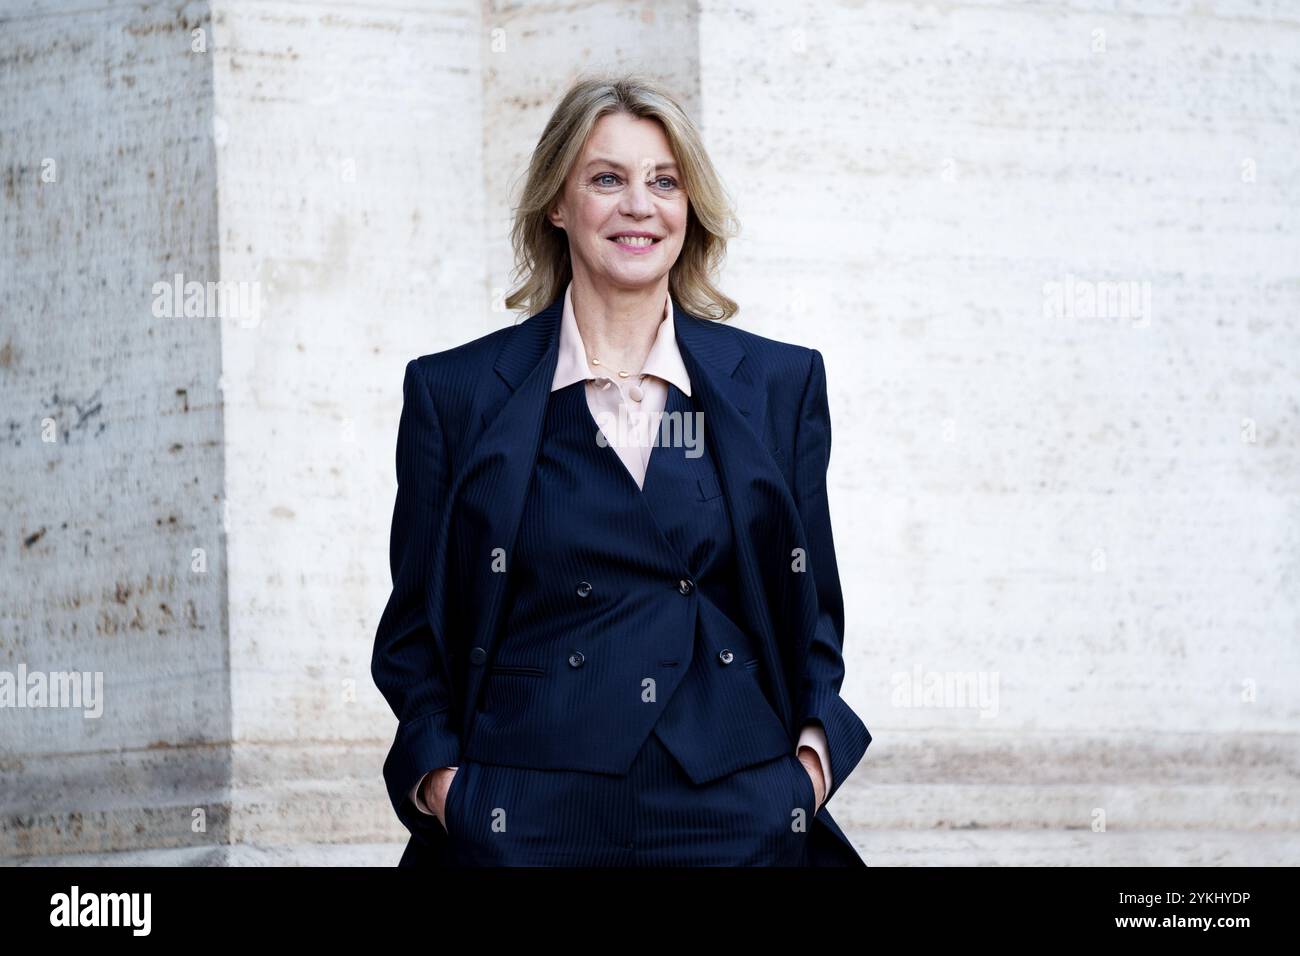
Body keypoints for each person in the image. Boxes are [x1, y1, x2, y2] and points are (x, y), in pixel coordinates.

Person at [372, 73, 871, 866]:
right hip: (525, 819)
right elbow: (413, 633)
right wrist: (448, 788)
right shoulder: (453, 393)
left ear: (688, 207)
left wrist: (806, 775)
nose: (640, 205)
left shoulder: (780, 386)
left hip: (735, 815)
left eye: (663, 182)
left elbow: (812, 610)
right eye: (607, 179)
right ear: (558, 204)